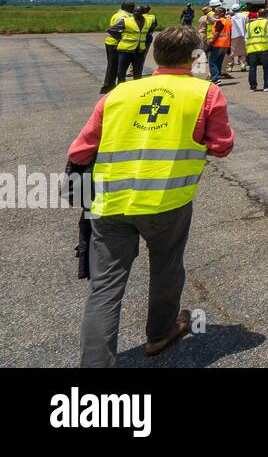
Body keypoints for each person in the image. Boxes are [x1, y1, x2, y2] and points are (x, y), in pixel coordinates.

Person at [70, 25, 235, 367]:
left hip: (110, 203)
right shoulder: (206, 94)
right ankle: (159, 334)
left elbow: (80, 150)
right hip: (167, 203)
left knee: (105, 289)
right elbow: (222, 147)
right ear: (195, 57)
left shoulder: (119, 93)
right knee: (166, 269)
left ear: (154, 54)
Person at [101, 1, 134, 94]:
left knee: (113, 67)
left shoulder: (118, 14)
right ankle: (109, 88)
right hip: (115, 44)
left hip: (111, 43)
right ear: (129, 8)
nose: (134, 10)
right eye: (133, 8)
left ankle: (109, 87)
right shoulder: (123, 17)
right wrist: (121, 39)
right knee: (114, 67)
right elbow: (113, 30)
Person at [113, 7, 148, 86]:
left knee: (138, 73)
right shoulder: (126, 21)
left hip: (139, 51)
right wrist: (120, 38)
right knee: (121, 72)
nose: (135, 13)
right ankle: (121, 88)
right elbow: (112, 30)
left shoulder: (148, 21)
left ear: (142, 12)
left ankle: (136, 89)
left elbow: (150, 30)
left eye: (138, 11)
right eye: (134, 11)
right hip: (125, 50)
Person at [245, 10, 268, 91]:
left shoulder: (249, 24)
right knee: (267, 68)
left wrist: (247, 50)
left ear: (257, 14)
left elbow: (246, 38)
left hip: (252, 49)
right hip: (264, 49)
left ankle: (253, 87)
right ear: (266, 14)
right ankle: (267, 86)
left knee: (252, 68)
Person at [208, 8, 231, 84]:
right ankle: (217, 77)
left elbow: (217, 33)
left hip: (217, 44)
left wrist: (211, 42)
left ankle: (215, 78)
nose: (216, 14)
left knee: (212, 62)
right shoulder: (228, 22)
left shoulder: (219, 21)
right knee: (219, 62)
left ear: (221, 13)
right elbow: (230, 34)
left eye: (217, 13)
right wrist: (229, 46)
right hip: (225, 45)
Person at [228, 5, 248, 73]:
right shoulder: (244, 16)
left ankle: (230, 66)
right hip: (243, 35)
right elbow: (247, 25)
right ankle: (242, 64)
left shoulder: (231, 17)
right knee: (242, 51)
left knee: (232, 51)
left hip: (233, 36)